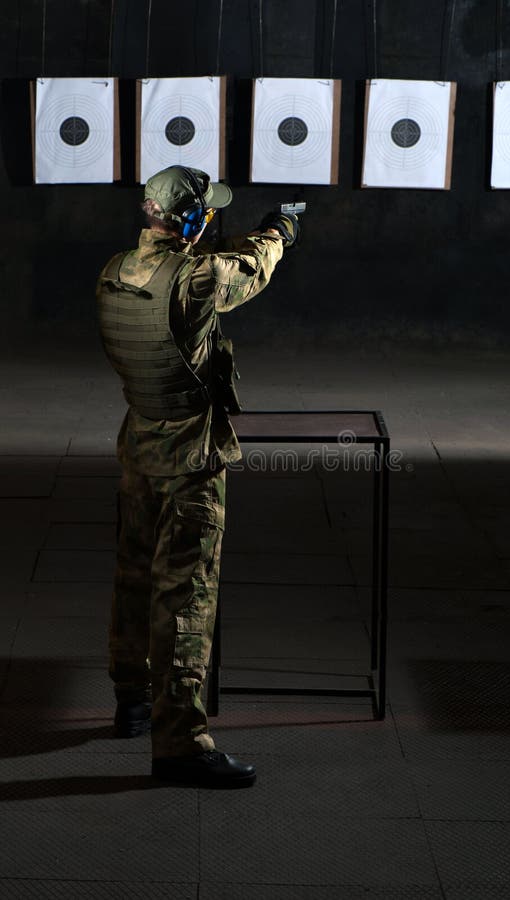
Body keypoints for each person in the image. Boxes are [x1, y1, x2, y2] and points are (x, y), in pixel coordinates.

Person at [96, 165, 298, 788]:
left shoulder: (114, 272)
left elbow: (184, 271)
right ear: (187, 218)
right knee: (185, 593)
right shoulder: (197, 278)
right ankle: (181, 742)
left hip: (139, 446)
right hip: (189, 454)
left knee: (133, 574)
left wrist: (202, 238)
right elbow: (249, 268)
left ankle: (132, 699)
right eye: (204, 212)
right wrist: (280, 229)